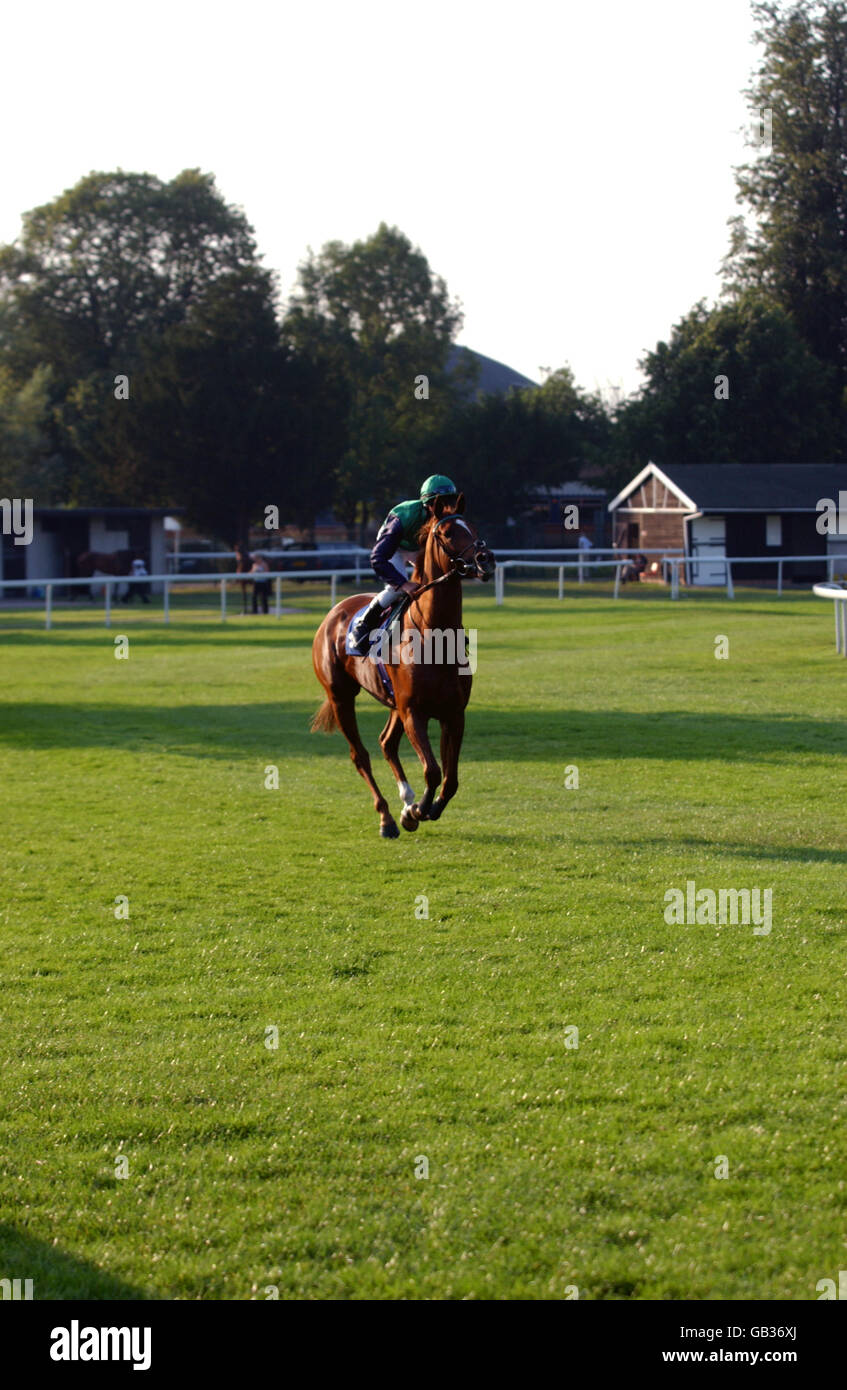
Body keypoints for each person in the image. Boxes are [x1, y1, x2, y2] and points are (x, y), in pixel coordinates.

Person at [347, 474, 460, 656]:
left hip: (418, 548)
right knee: (397, 590)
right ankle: (364, 624)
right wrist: (403, 583)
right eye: (439, 504)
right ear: (427, 505)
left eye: (448, 503)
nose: (444, 509)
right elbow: (378, 557)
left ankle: (450, 632)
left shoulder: (446, 521)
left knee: (437, 585)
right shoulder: (405, 516)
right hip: (394, 547)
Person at [235, 544, 252, 615]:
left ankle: (246, 609)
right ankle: (246, 609)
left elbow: (240, 567)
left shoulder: (243, 557)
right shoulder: (246, 556)